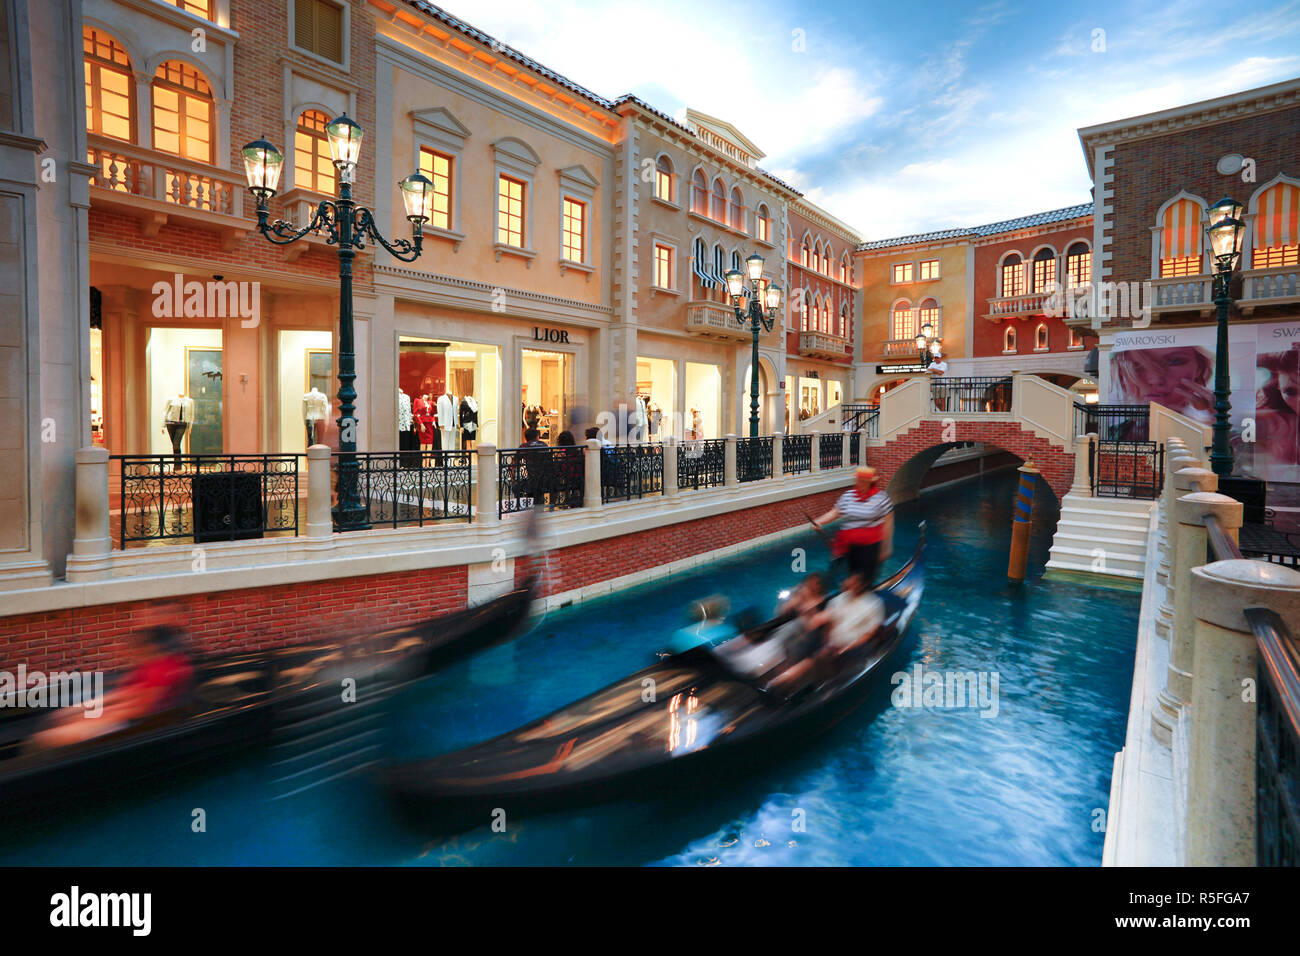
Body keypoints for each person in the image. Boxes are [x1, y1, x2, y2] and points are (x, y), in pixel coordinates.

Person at [28, 626, 194, 751]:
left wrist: (92, 716)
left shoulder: (164, 670)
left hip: (139, 724)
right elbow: (124, 694)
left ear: (151, 648)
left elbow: (137, 709)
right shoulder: (150, 666)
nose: (129, 653)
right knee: (66, 718)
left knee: (49, 738)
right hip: (130, 714)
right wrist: (80, 711)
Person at [812, 466, 894, 585]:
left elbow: (888, 523)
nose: (860, 483)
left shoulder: (881, 498)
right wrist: (819, 521)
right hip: (847, 545)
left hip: (869, 547)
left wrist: (886, 548)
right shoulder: (848, 496)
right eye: (859, 480)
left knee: (863, 579)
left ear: (870, 482)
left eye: (863, 481)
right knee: (843, 575)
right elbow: (835, 512)